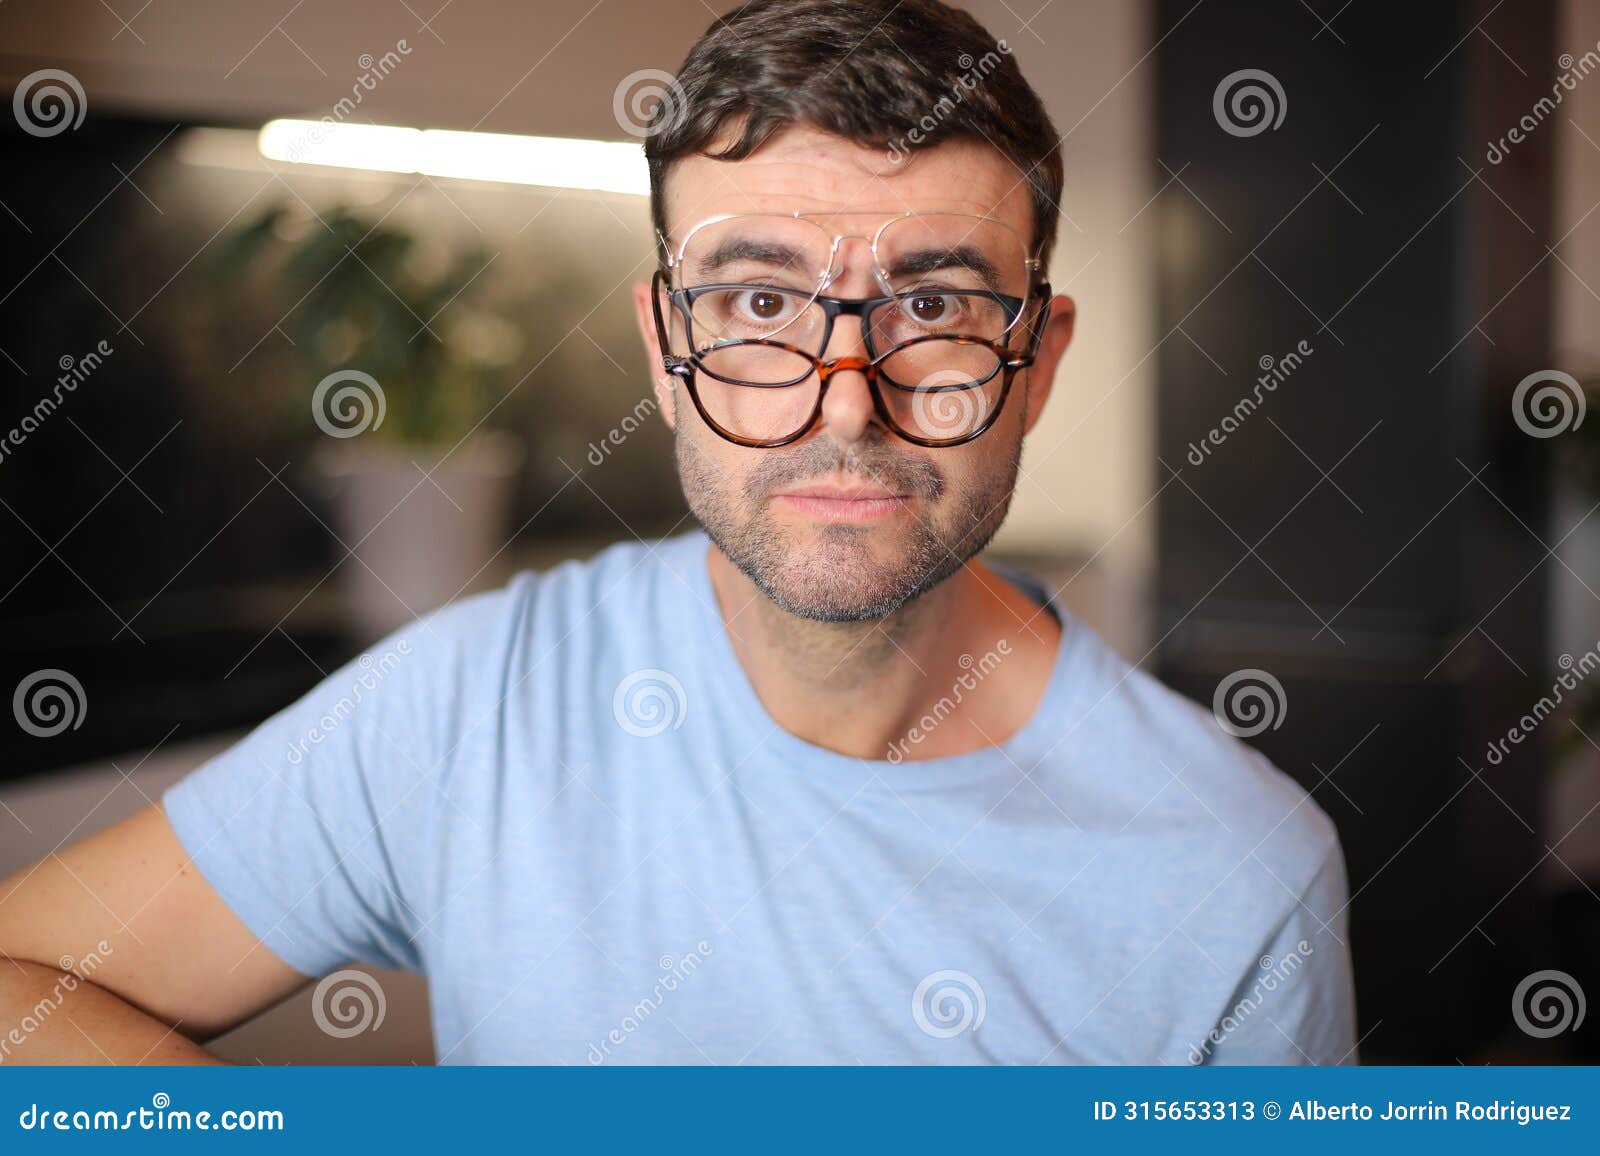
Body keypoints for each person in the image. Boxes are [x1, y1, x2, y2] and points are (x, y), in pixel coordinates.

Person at [0, 0, 1355, 1064]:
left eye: (934, 307)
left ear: (1040, 360)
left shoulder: (1231, 877)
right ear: (665, 345)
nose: (847, 407)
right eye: (762, 307)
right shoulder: (475, 706)